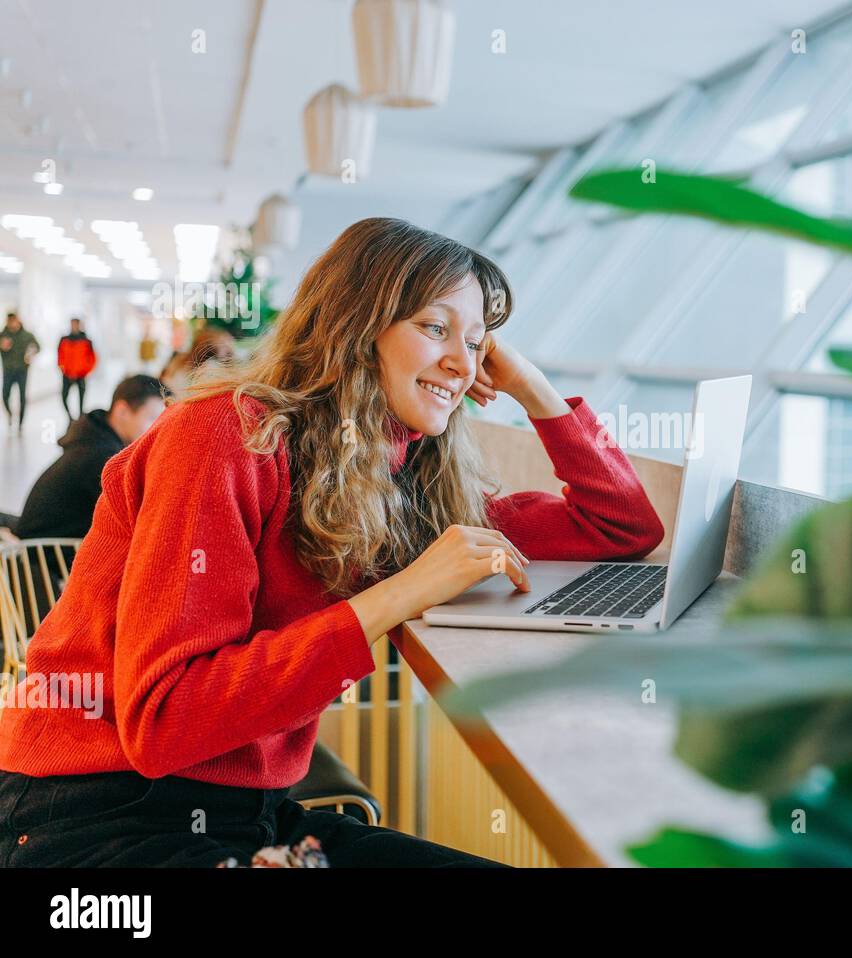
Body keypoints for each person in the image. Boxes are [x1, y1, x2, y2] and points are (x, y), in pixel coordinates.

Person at [0, 217, 665, 867]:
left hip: (248, 812)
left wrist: (531, 387)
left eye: (479, 343)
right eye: (435, 328)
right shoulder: (222, 437)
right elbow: (164, 721)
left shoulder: (410, 475)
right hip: (91, 817)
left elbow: (624, 525)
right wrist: (401, 594)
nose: (461, 365)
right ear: (356, 327)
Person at [13, 375, 167, 540]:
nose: (157, 429)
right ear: (122, 411)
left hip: (39, 548)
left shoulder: (93, 439)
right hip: (45, 558)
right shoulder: (104, 459)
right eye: (152, 418)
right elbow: (138, 521)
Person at [159, 327, 235, 398]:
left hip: (167, 401)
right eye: (224, 346)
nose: (228, 350)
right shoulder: (211, 368)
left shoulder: (180, 359)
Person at [1, 312, 40, 435]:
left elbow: (37, 347)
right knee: (5, 395)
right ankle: (10, 414)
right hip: (8, 371)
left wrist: (30, 354)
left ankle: (20, 424)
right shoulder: (3, 335)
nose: (12, 323)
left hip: (22, 371)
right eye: (9, 321)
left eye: (14, 320)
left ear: (18, 321)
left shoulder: (26, 335)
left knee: (22, 397)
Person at [56, 317, 97, 421]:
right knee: (64, 397)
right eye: (72, 324)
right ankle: (70, 418)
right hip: (67, 374)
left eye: (75, 324)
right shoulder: (64, 339)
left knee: (81, 399)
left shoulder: (86, 341)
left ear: (79, 325)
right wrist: (63, 369)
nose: (74, 326)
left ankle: (79, 418)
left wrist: (85, 370)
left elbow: (93, 358)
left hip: (81, 375)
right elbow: (60, 355)